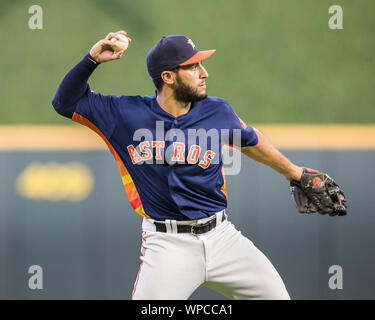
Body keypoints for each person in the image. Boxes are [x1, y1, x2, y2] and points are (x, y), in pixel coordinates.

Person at [52, 31, 303, 300]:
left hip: (223, 237)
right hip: (167, 245)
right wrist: (92, 59)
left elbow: (251, 140)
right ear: (168, 77)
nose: (204, 72)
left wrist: (296, 174)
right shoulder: (124, 114)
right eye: (193, 66)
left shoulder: (217, 112)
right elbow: (65, 102)